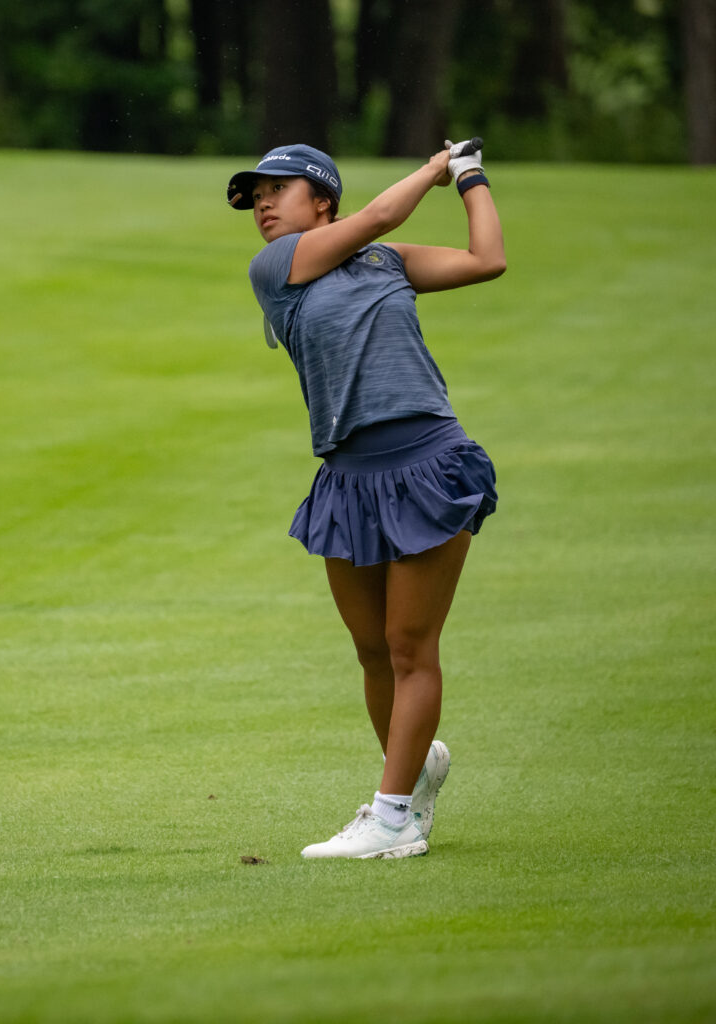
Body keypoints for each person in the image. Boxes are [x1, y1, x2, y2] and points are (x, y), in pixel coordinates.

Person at [226, 140, 505, 859]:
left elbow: (485, 260)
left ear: (321, 198)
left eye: (275, 189)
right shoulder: (276, 269)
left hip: (428, 463)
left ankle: (392, 819)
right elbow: (380, 211)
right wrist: (433, 167)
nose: (260, 203)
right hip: (348, 478)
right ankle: (408, 785)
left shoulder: (387, 261)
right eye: (253, 195)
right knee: (372, 650)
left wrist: (469, 177)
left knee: (411, 646)